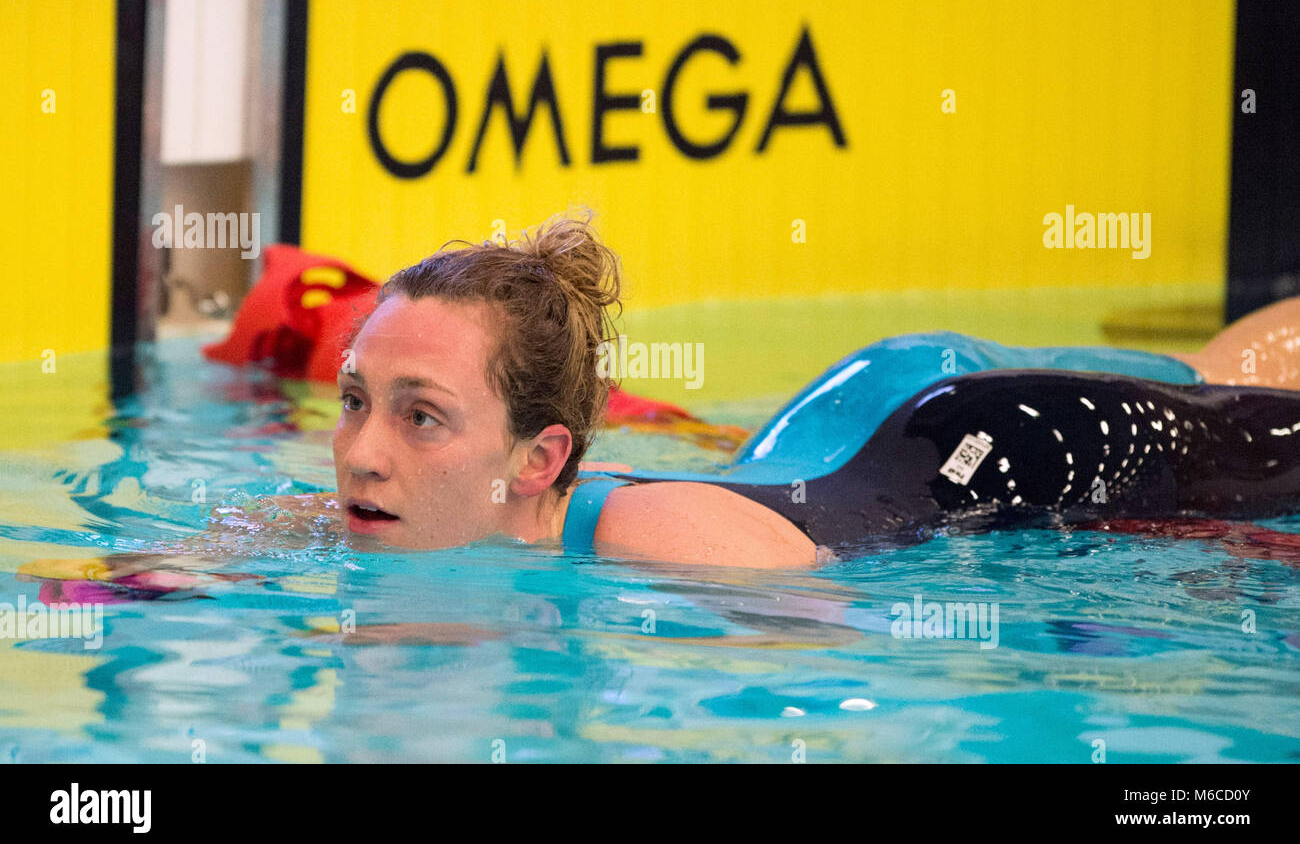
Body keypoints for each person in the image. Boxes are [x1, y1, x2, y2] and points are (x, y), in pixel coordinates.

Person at [316, 208, 1300, 569]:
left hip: (1000, 441)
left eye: (421, 416)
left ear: (539, 460)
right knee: (1213, 367)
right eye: (355, 398)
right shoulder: (385, 511)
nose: (362, 452)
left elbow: (830, 648)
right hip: (861, 401)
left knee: (1244, 401)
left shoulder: (662, 545)